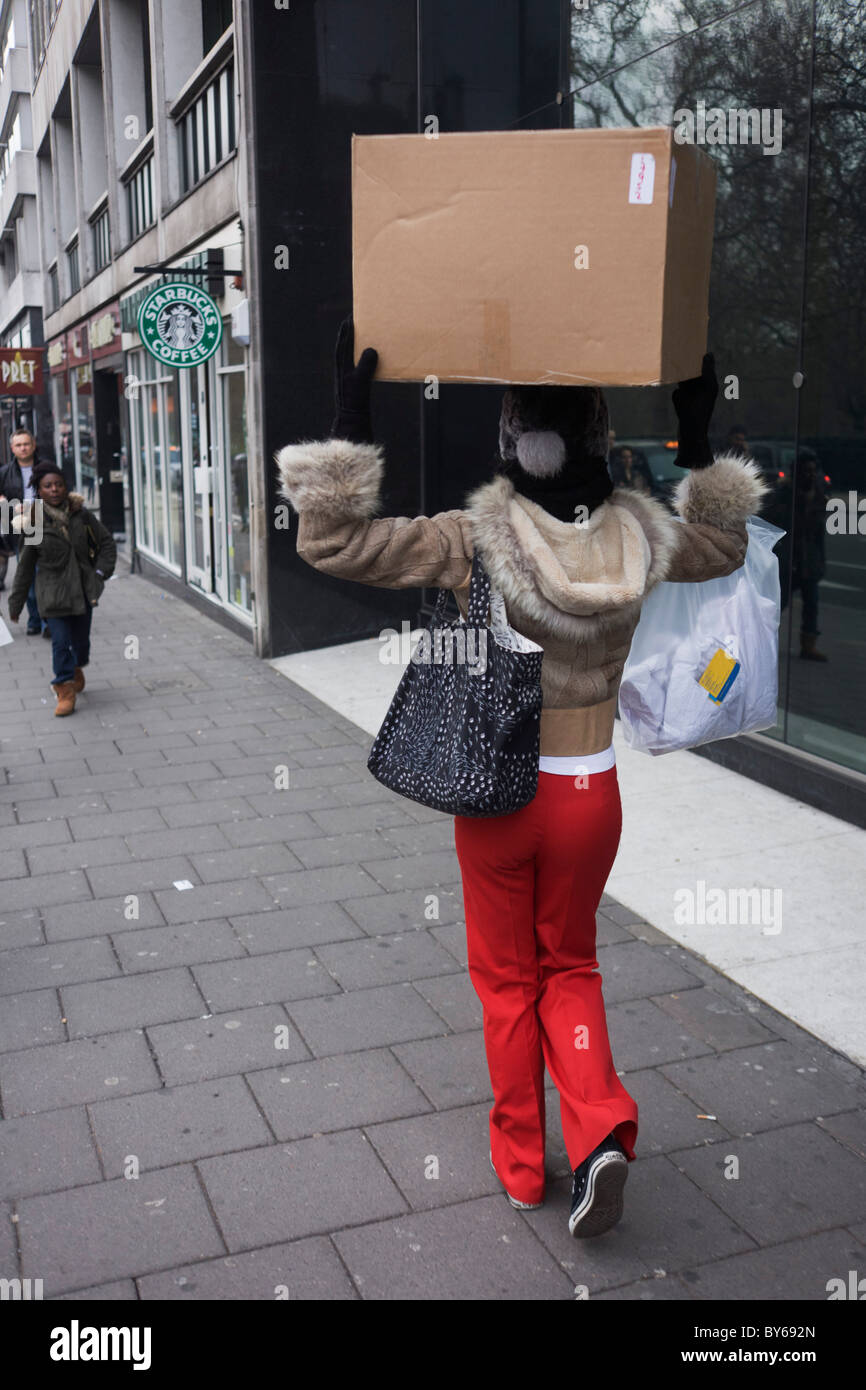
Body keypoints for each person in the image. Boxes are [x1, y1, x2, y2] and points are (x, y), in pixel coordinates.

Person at [275, 326, 765, 1238]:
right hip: (592, 794)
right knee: (570, 963)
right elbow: (725, 544)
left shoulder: (471, 540)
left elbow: (332, 544)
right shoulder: (644, 533)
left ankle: (521, 1164)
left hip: (499, 791)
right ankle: (601, 1128)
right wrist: (699, 437)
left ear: (510, 444)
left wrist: (350, 418)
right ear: (600, 440)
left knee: (507, 982)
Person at [7, 463, 116, 715]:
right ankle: (64, 688)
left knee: (80, 642)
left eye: (58, 484)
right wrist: (16, 603)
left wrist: (99, 574)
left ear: (66, 486)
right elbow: (25, 565)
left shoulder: (82, 515)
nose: (54, 489)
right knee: (60, 641)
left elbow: (107, 543)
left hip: (83, 591)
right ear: (39, 490)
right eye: (48, 486)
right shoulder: (34, 521)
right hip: (52, 592)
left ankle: (77, 666)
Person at [766, 447, 828, 660]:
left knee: (812, 604)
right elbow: (774, 522)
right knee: (778, 603)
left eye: (813, 471)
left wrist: (820, 562)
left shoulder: (818, 496)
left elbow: (819, 534)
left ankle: (808, 645)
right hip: (788, 559)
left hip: (808, 560)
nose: (810, 475)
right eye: (805, 471)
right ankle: (762, 637)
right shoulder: (785, 494)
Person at [0, 428, 49, 635]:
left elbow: (62, 490)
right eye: (18, 445)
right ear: (12, 448)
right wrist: (9, 504)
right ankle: (35, 620)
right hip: (21, 529)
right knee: (28, 575)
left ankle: (48, 621)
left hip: (46, 525)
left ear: (33, 445)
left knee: (45, 574)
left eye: (26, 444)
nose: (23, 448)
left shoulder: (46, 468)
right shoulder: (4, 472)